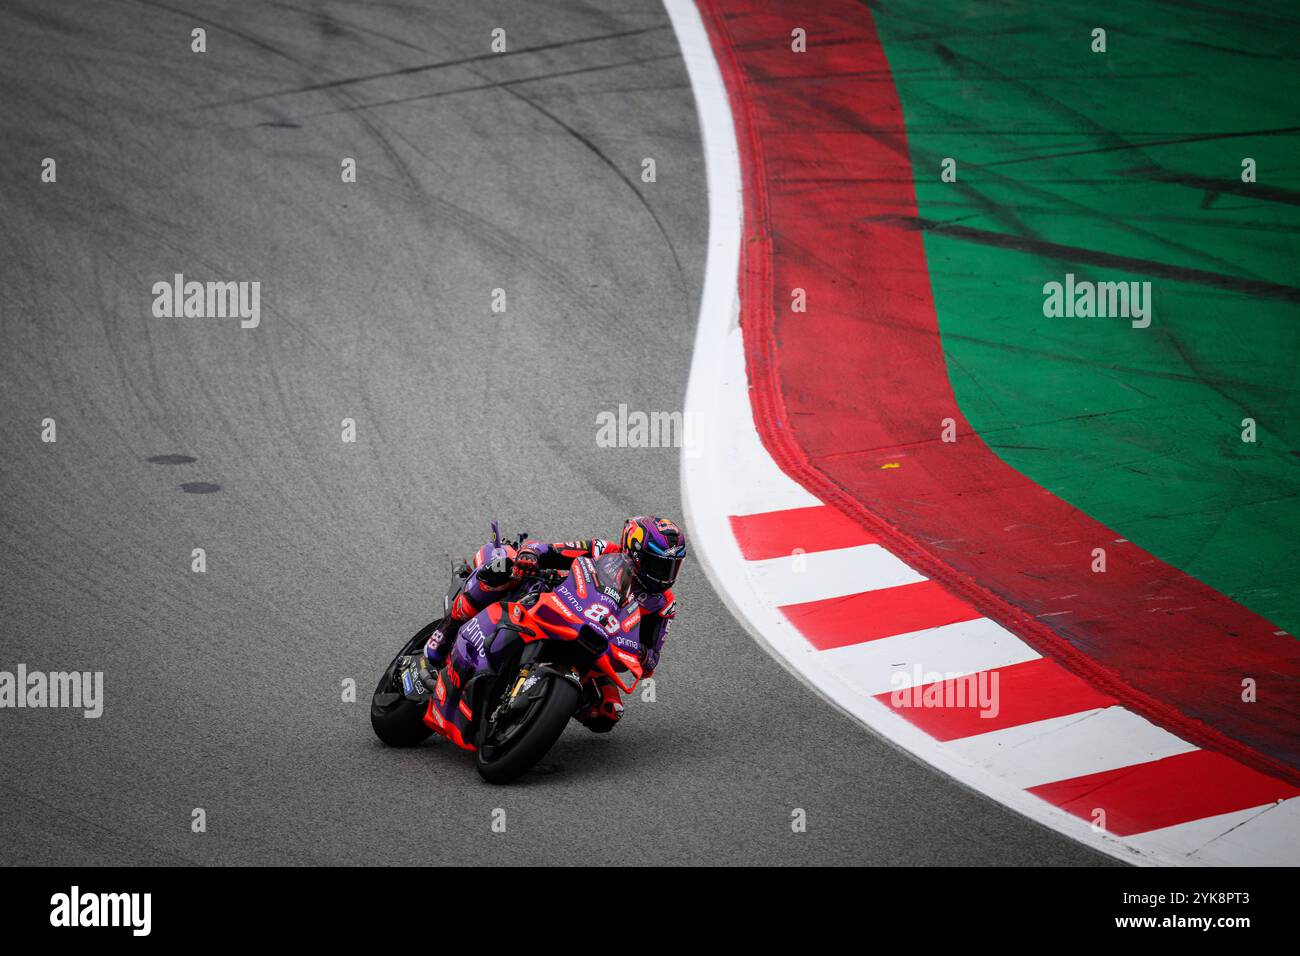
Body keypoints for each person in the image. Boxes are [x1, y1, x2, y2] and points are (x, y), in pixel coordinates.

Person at [422, 516, 686, 732]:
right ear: (635, 552)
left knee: (606, 714)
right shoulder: (603, 550)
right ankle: (443, 636)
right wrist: (530, 556)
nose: (666, 575)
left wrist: (641, 655)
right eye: (659, 564)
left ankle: (537, 708)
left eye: (673, 567)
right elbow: (548, 549)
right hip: (555, 600)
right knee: (503, 570)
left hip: (596, 644)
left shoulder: (663, 604)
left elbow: (651, 660)